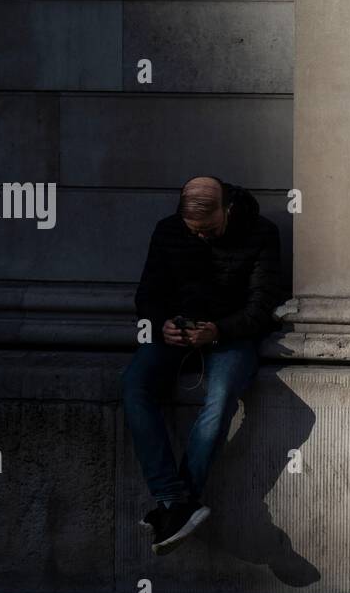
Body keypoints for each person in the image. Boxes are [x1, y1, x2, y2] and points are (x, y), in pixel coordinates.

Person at [122, 175, 285, 555]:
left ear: (228, 210)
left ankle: (175, 506)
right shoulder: (168, 231)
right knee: (134, 386)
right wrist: (162, 323)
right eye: (193, 232)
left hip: (231, 335)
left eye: (209, 230)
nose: (201, 238)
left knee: (222, 396)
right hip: (176, 332)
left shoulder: (261, 233)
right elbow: (147, 294)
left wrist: (218, 331)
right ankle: (175, 501)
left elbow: (263, 305)